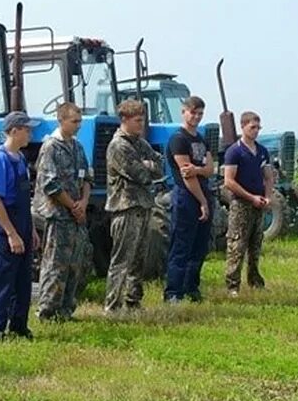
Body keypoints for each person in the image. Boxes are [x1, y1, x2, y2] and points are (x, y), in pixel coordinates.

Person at [0, 110, 41, 340]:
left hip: (24, 224)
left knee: (22, 281)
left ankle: (18, 326)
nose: (30, 134)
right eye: (27, 129)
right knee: (3, 280)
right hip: (7, 226)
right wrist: (11, 234)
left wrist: (32, 230)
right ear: (14, 130)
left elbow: (25, 198)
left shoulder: (21, 158)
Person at [35, 102, 93, 321]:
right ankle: (47, 311)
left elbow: (86, 177)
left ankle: (66, 310)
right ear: (62, 120)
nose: (78, 126)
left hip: (77, 214)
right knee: (55, 265)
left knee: (74, 265)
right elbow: (50, 184)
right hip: (58, 215)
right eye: (74, 121)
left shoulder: (77, 147)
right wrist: (72, 206)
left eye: (80, 121)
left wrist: (83, 203)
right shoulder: (51, 147)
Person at [104, 99, 163, 313]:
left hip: (143, 205)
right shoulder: (118, 145)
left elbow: (159, 166)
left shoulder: (139, 142)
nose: (141, 124)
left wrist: (148, 165)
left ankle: (133, 301)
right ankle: (113, 306)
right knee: (121, 261)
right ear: (125, 120)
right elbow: (139, 175)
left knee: (139, 260)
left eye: (142, 120)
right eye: (137, 120)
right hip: (125, 207)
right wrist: (147, 166)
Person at [165, 96, 215, 302]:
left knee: (200, 246)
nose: (196, 117)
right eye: (193, 112)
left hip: (204, 192)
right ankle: (173, 293)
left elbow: (211, 169)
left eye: (200, 113)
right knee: (182, 246)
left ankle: (191, 288)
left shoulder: (201, 139)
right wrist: (202, 201)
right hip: (187, 196)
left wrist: (200, 169)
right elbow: (187, 175)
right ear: (183, 112)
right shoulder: (179, 139)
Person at [223, 111, 273, 296]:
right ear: (243, 126)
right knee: (237, 245)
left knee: (255, 244)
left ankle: (254, 280)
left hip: (258, 204)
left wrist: (267, 197)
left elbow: (268, 176)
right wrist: (250, 197)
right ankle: (232, 285)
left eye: (258, 128)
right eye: (252, 127)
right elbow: (229, 180)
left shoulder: (262, 151)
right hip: (241, 204)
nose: (256, 131)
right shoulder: (234, 151)